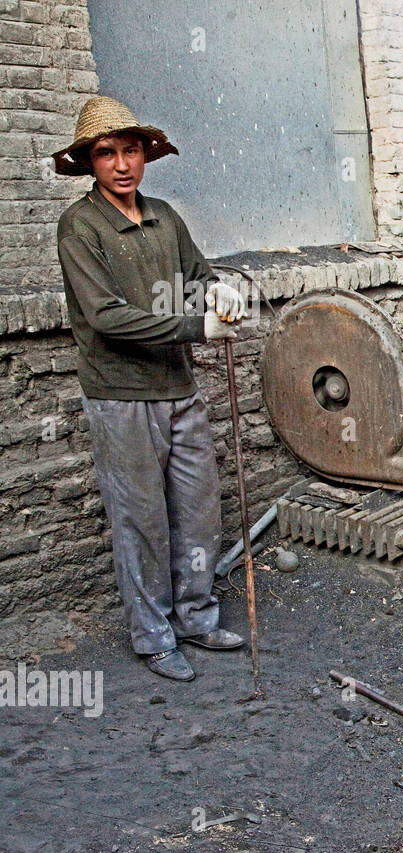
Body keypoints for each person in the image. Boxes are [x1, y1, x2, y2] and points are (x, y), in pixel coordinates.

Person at [52, 96, 249, 682]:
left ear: (145, 155)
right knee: (140, 518)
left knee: (196, 510)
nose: (120, 164)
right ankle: (153, 634)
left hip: (179, 388)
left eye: (130, 150)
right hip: (121, 396)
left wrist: (220, 291)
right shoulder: (81, 226)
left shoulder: (164, 215)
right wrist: (196, 325)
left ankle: (194, 615)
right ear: (89, 162)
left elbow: (197, 279)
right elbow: (107, 317)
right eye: (106, 153)